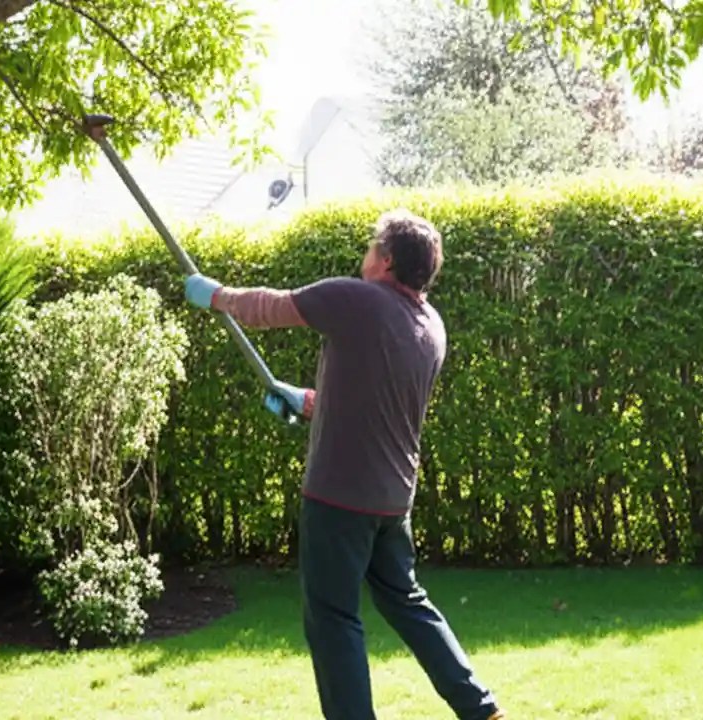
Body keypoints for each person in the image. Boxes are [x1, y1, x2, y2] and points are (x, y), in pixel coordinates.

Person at [182, 209, 504, 720]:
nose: (366, 255)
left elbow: (272, 307)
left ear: (388, 259)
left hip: (338, 498)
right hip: (391, 503)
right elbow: (373, 399)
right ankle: (481, 709)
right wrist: (307, 401)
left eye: (372, 246)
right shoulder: (430, 326)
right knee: (407, 602)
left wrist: (216, 295)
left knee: (332, 619)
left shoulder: (359, 299)